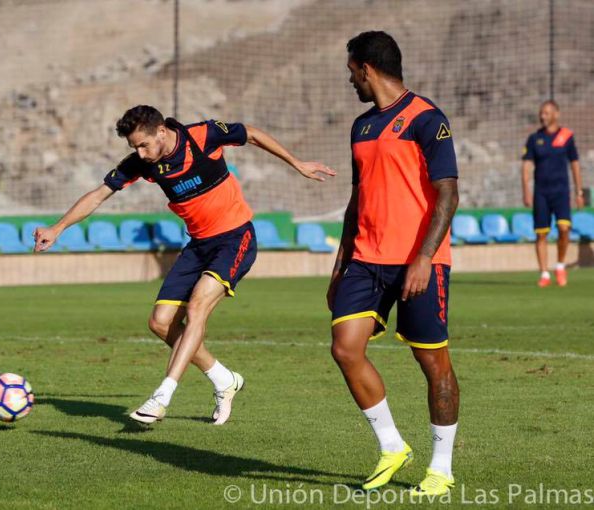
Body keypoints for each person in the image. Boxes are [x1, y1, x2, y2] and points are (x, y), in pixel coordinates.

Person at [34, 105, 334, 425]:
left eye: (143, 144)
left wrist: (296, 163)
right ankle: (224, 379)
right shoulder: (142, 163)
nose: (140, 153)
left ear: (161, 131)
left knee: (197, 306)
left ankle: (162, 396)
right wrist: (57, 228)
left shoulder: (203, 135)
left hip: (235, 238)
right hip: (198, 246)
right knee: (160, 322)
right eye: (134, 147)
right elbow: (98, 195)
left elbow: (252, 134)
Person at [327, 32, 460, 496]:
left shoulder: (427, 118)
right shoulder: (360, 127)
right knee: (345, 348)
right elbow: (356, 200)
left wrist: (424, 257)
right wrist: (340, 264)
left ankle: (440, 468)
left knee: (433, 362)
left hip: (419, 261)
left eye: (352, 72)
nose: (351, 81)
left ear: (367, 68)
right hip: (366, 259)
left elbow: (448, 194)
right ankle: (392, 446)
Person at [521, 100, 584, 287]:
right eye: (541, 113)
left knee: (564, 229)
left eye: (546, 113)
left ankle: (560, 265)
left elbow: (575, 164)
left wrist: (579, 191)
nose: (543, 116)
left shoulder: (566, 137)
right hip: (541, 193)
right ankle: (544, 274)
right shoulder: (534, 139)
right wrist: (526, 190)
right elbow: (526, 166)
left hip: (561, 192)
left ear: (556, 114)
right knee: (541, 234)